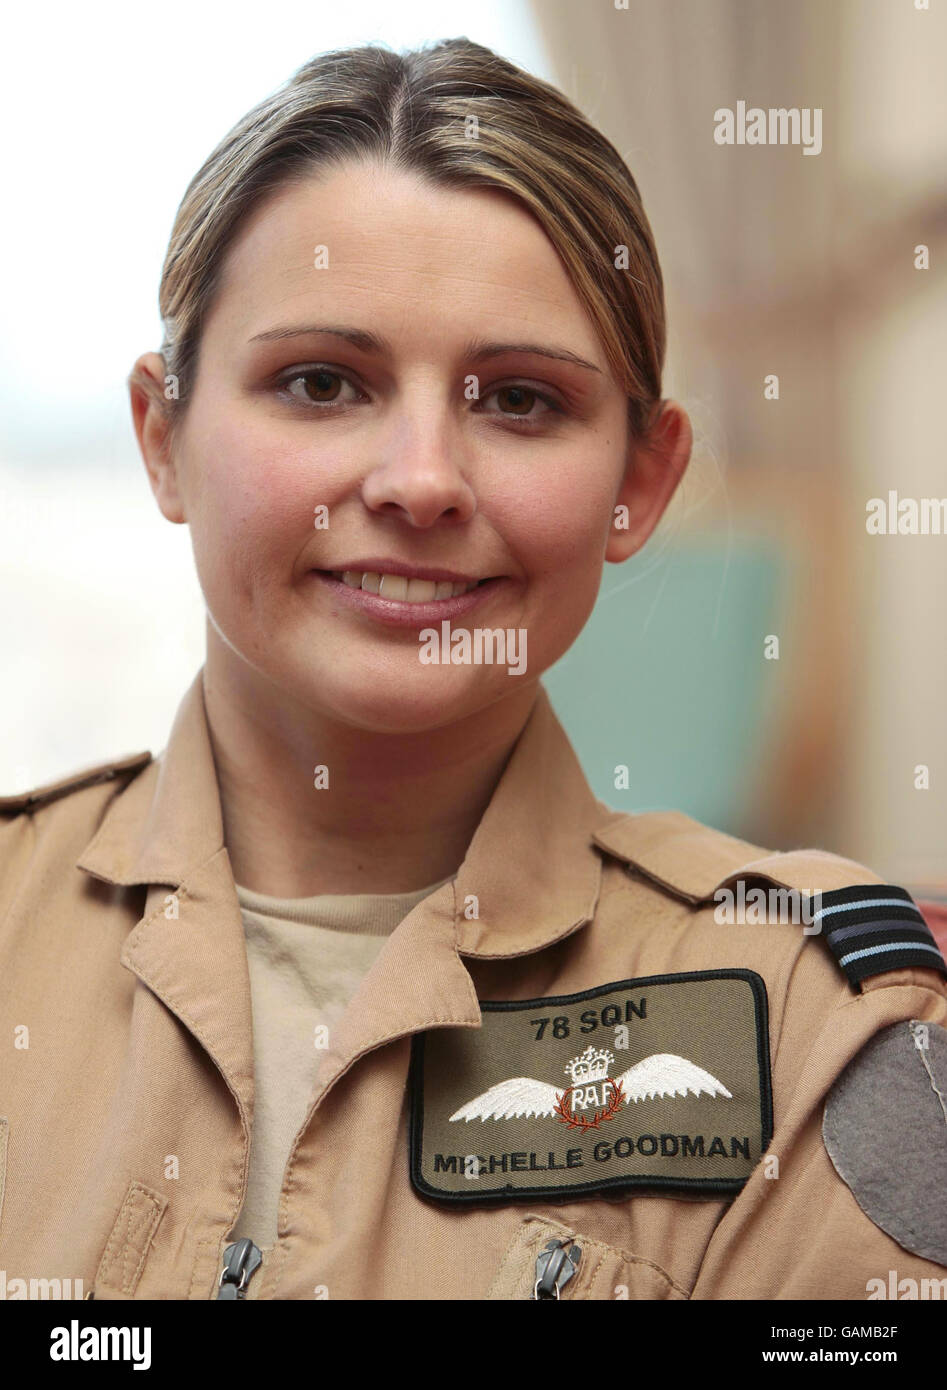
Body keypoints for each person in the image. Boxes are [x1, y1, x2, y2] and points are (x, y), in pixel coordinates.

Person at [1, 37, 944, 1304]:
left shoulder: (810, 1019)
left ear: (640, 481)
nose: (421, 481)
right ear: (162, 439)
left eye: (517, 401)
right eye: (321, 381)